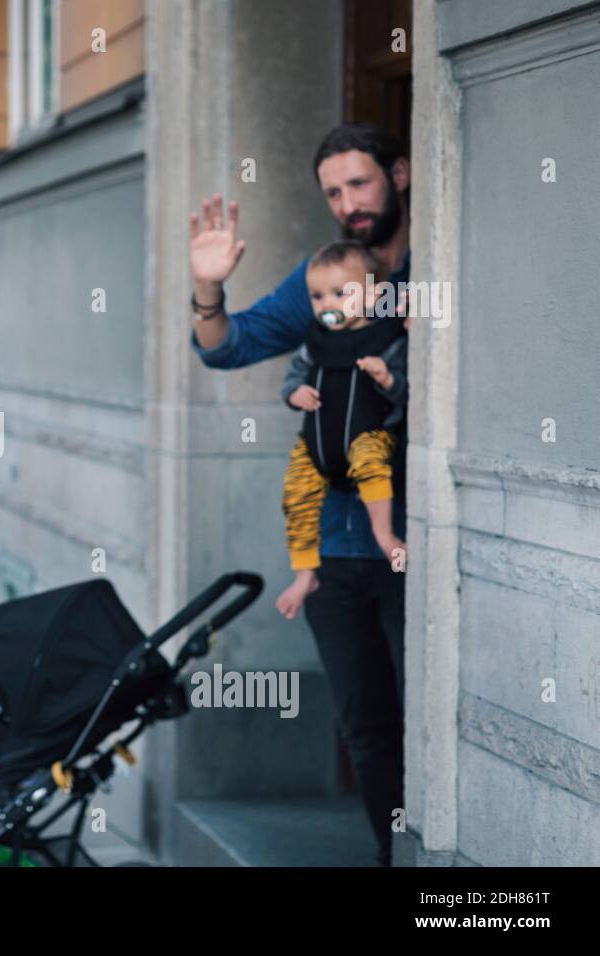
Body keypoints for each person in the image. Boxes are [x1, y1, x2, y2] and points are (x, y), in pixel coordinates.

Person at [187, 123, 410, 866]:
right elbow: (227, 346)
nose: (349, 202)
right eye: (334, 192)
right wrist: (209, 287)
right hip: (341, 547)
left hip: (423, 542)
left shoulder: (435, 276)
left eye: (361, 183)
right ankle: (395, 859)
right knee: (368, 725)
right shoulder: (320, 283)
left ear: (400, 175)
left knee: (433, 720)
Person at [276, 239, 408, 620]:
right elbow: (292, 378)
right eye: (317, 297)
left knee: (371, 464)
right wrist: (294, 394)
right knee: (297, 490)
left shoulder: (387, 339)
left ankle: (385, 537)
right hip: (317, 443)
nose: (327, 305)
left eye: (339, 293)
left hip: (369, 435)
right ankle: (305, 574)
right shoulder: (314, 342)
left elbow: (408, 391)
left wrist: (387, 378)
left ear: (373, 295)